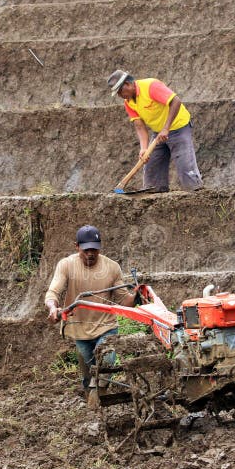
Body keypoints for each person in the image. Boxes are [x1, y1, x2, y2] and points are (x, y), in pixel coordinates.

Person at [45, 225, 138, 391]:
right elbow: (53, 292)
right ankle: (91, 396)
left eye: (94, 250)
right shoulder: (66, 265)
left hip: (106, 326)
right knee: (88, 373)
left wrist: (137, 297)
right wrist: (53, 308)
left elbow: (124, 300)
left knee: (107, 362)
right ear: (77, 246)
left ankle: (101, 393)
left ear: (100, 247)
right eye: (86, 250)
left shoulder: (112, 267)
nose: (90, 254)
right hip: (79, 327)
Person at [107, 69, 203, 192]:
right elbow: (139, 126)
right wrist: (143, 148)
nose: (120, 96)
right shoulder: (128, 102)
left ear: (127, 84)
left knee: (185, 168)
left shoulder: (151, 86)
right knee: (152, 171)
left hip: (179, 127)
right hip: (159, 133)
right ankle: (155, 196)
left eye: (120, 92)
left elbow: (176, 101)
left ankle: (195, 193)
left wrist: (166, 128)